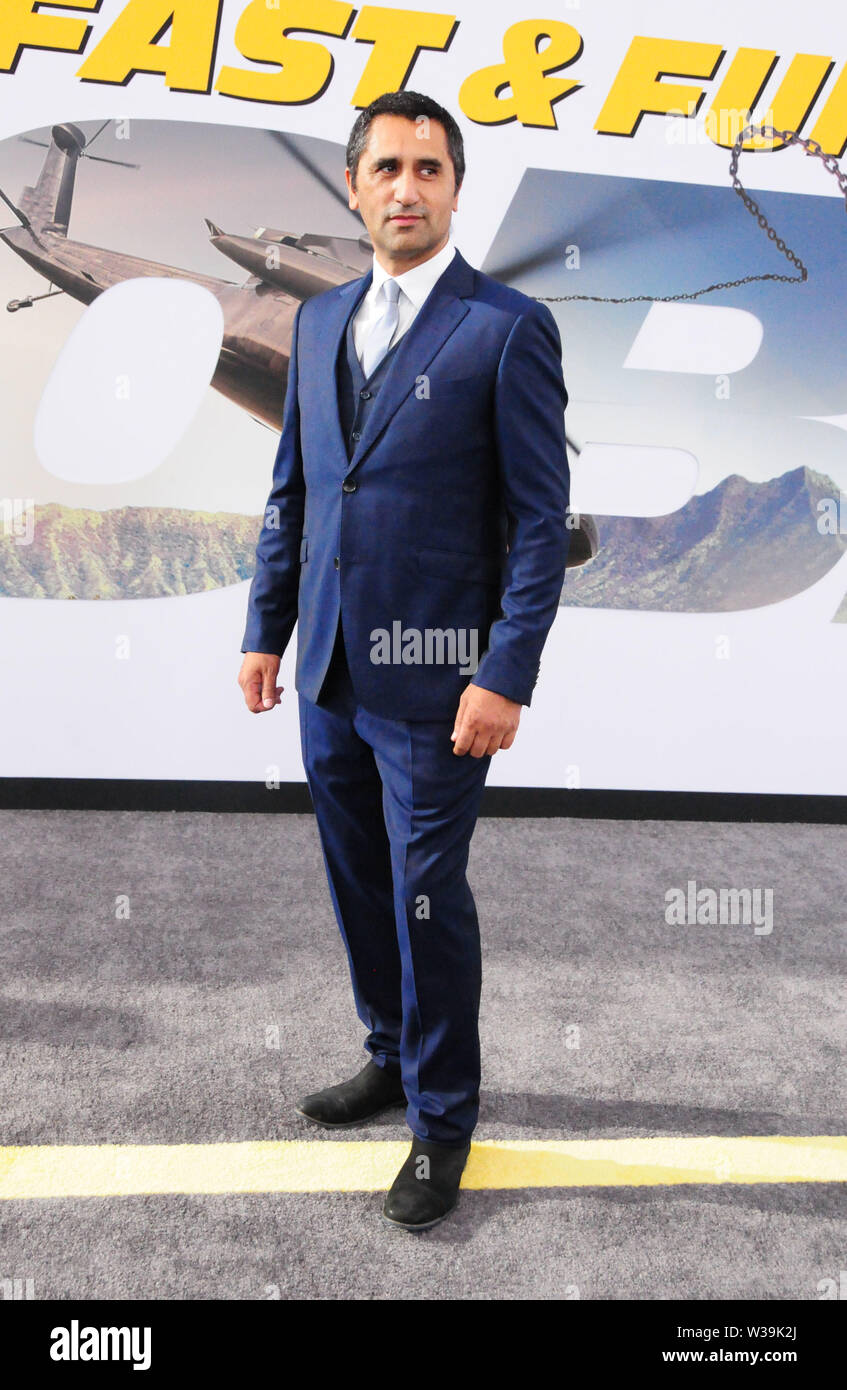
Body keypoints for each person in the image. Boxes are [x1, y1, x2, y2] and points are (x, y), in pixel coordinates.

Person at [238, 89, 570, 1231]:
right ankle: (388, 1053)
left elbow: (539, 523)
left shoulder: (505, 328)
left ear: (455, 188)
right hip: (328, 669)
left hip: (440, 681)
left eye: (429, 169)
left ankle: (442, 1124)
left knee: (427, 896)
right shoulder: (322, 318)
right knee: (359, 883)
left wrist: (505, 672)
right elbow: (294, 491)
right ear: (354, 187)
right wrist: (261, 630)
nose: (406, 188)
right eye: (386, 168)